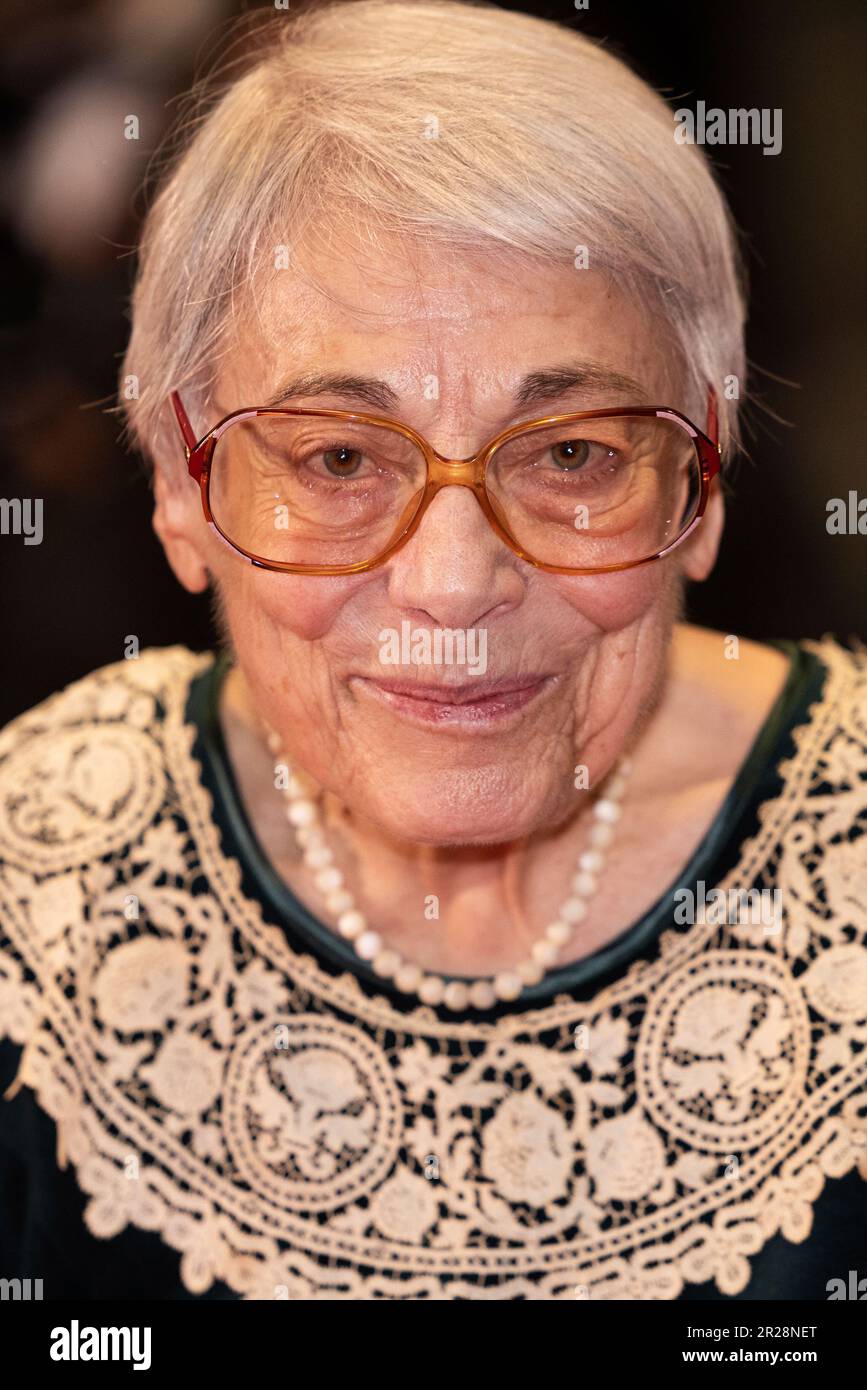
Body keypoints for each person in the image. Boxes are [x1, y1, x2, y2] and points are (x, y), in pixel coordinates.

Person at [1, 0, 865, 1301]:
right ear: (182, 492)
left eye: (572, 453)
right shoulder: (39, 877)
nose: (455, 581)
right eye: (339, 458)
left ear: (703, 481)